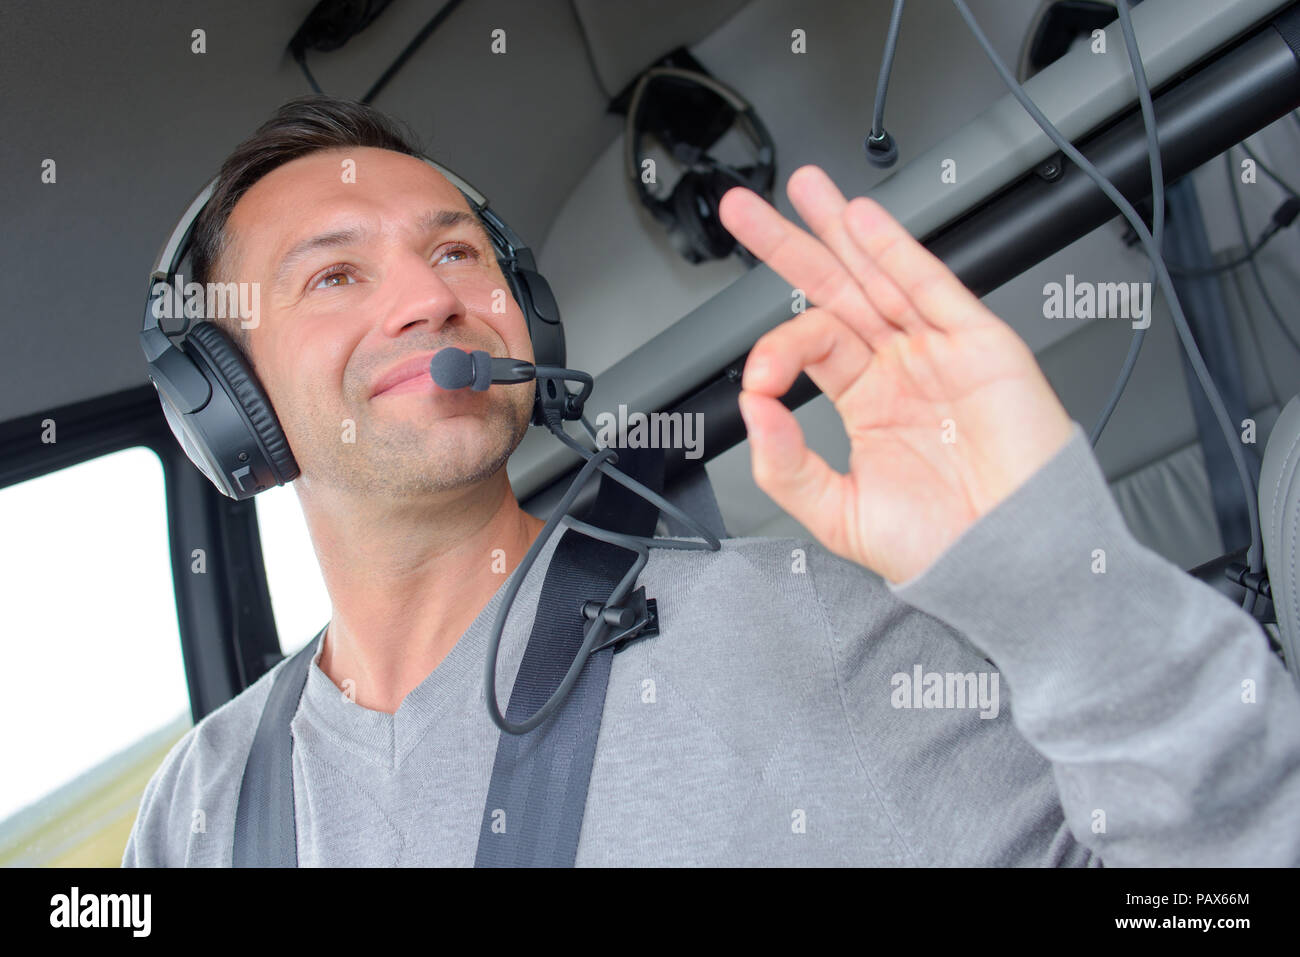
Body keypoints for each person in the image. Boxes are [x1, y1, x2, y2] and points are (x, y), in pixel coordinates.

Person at [123, 95, 1300, 866]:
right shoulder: (201, 809)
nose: (426, 298)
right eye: (330, 278)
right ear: (222, 394)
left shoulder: (808, 626)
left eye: (453, 252)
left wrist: (1059, 596)